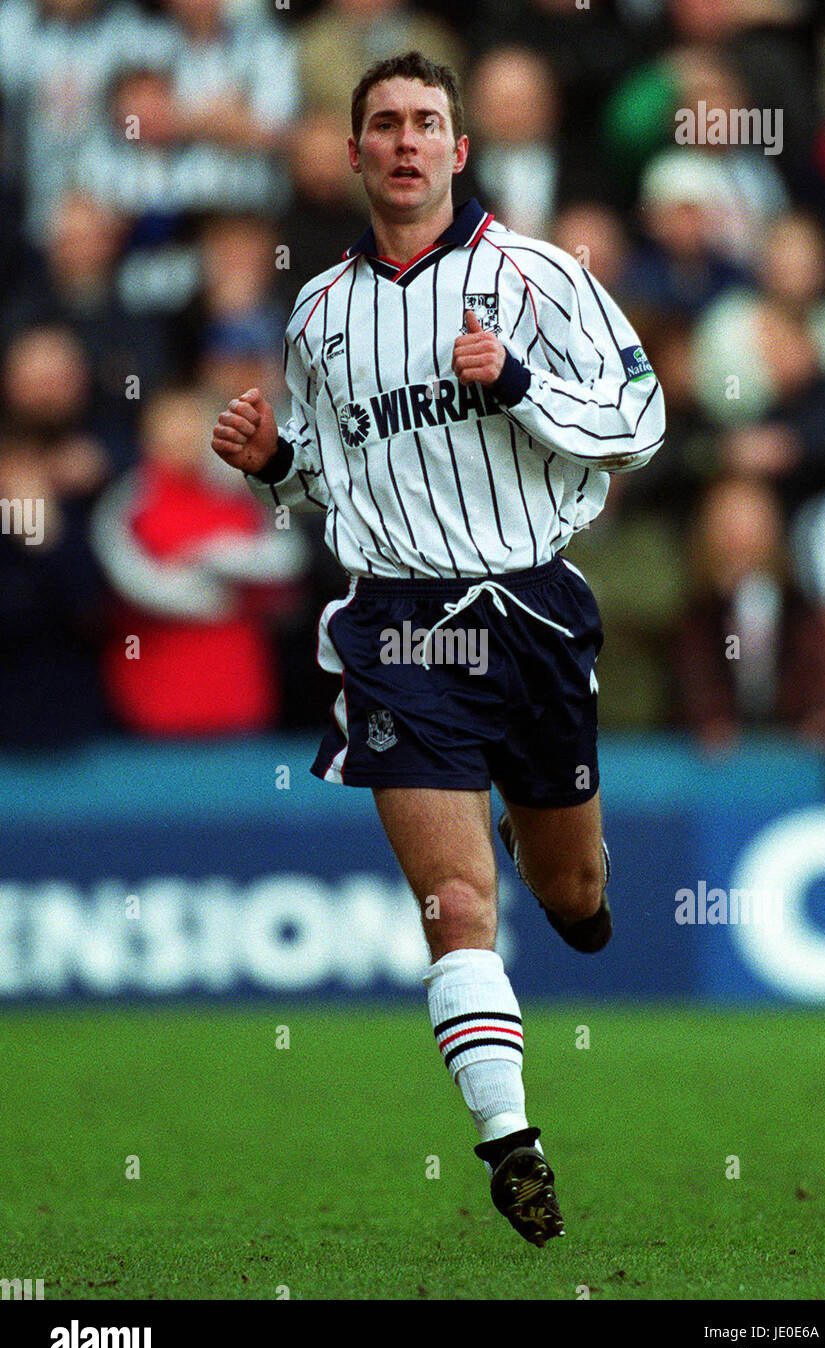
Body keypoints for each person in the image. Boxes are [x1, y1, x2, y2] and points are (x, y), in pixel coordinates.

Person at [211, 51, 665, 1247]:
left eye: (426, 124)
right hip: (397, 628)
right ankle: (510, 1144)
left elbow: (640, 416)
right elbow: (328, 472)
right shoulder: (315, 311)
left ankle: (546, 842)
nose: (406, 143)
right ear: (355, 153)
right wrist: (273, 465)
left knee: (571, 898)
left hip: (532, 614)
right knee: (457, 901)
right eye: (384, 125)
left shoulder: (538, 275)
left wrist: (515, 381)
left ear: (459, 150)